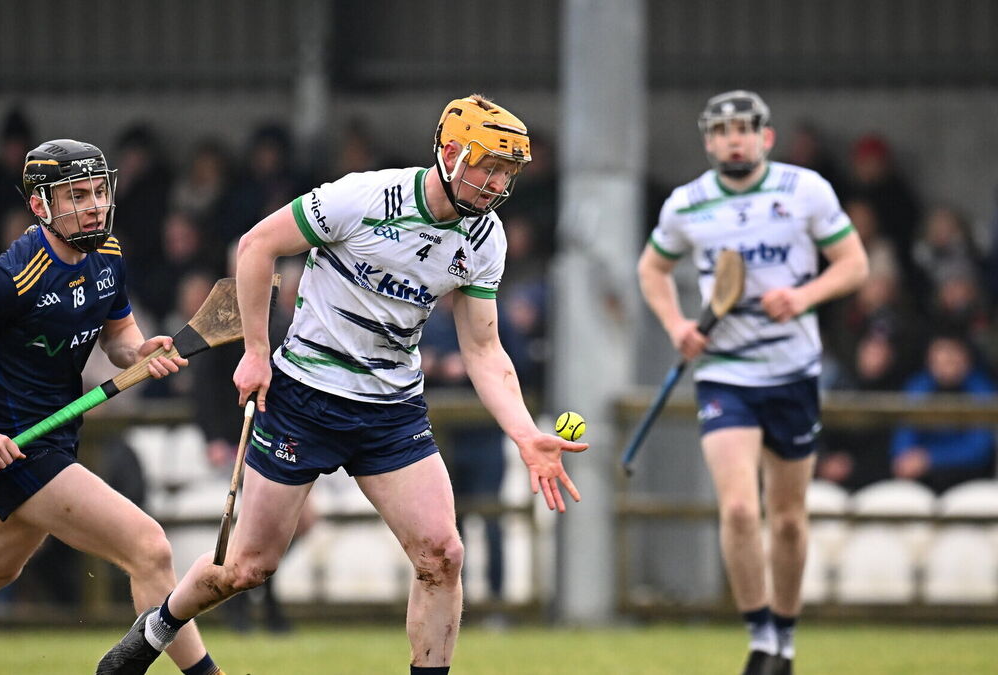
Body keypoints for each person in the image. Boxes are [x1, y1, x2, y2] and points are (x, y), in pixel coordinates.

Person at [97, 94, 587, 675]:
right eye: (490, 167)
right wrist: (256, 352)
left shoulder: (484, 239)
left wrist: (525, 434)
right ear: (451, 153)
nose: (498, 184)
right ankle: (159, 627)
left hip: (392, 411)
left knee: (442, 555)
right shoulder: (363, 197)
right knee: (247, 568)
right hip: (304, 401)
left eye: (509, 173)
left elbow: (484, 349)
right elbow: (257, 246)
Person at [0, 139, 222, 675]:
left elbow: (118, 334)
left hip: (58, 437)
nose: (93, 206)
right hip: (18, 449)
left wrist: (139, 349)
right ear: (41, 206)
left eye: (98, 193)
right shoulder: (7, 277)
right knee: (149, 547)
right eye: (77, 196)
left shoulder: (108, 256)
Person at [637, 91, 868, 675]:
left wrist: (805, 296)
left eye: (745, 129)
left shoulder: (805, 191)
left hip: (793, 372)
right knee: (740, 508)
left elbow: (854, 264)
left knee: (787, 517)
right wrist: (677, 325)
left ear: (766, 137)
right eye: (722, 131)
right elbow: (652, 268)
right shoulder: (687, 205)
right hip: (725, 374)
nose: (734, 139)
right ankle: (760, 635)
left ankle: (786, 639)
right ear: (708, 142)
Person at [890, 332, 996, 493]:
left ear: (966, 358)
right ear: (930, 359)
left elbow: (981, 449)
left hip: (970, 479)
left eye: (953, 354)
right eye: (941, 353)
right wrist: (906, 457)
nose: (947, 360)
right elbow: (904, 436)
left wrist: (930, 458)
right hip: (923, 479)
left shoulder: (982, 390)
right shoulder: (918, 386)